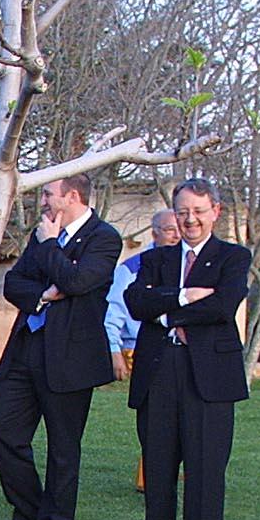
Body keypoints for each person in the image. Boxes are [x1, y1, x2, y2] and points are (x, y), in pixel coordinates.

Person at [123, 178, 252, 520]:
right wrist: (181, 297)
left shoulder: (233, 257)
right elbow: (135, 301)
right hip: (160, 372)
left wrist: (163, 313)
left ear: (215, 211)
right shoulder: (156, 258)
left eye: (198, 211)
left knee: (204, 469)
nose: (190, 219)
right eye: (182, 212)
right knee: (158, 466)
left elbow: (222, 305)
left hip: (208, 378)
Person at [0, 173, 121, 520]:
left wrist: (49, 249)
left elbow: (78, 281)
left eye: (48, 193)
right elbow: (13, 284)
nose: (42, 200)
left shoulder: (104, 237)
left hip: (70, 359)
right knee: (3, 433)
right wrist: (44, 294)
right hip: (26, 349)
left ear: (71, 196)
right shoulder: (43, 233)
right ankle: (30, 510)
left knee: (63, 448)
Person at [106, 208, 181, 493]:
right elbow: (114, 311)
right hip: (140, 349)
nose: (176, 235)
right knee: (156, 414)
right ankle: (149, 477)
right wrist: (115, 350)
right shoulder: (133, 267)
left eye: (178, 229)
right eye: (169, 229)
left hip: (176, 348)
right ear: (155, 233)